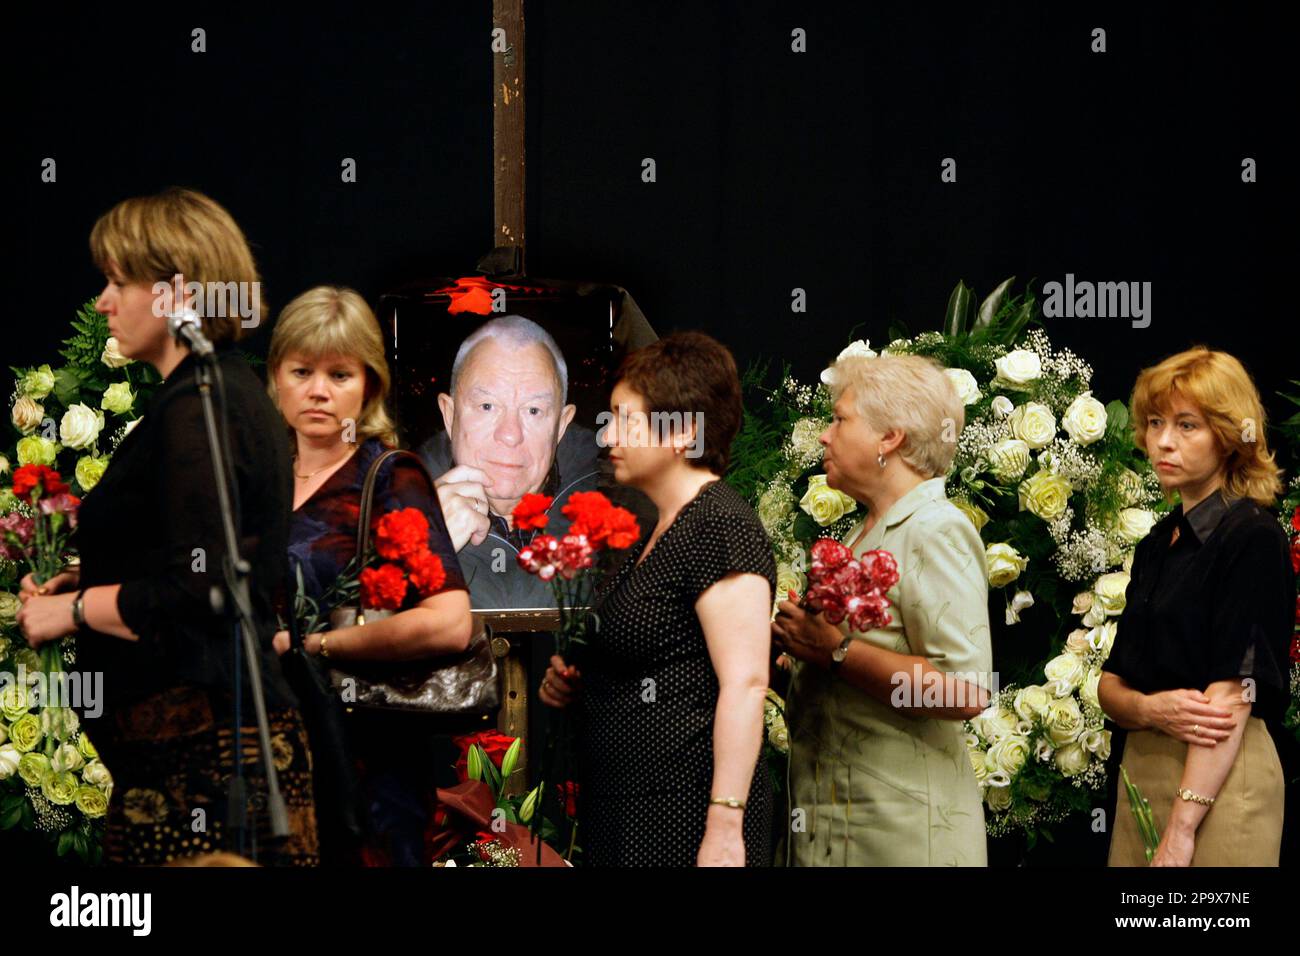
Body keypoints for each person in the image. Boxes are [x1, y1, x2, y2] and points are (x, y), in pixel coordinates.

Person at [16, 187, 318, 865]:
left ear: (177, 293)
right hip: (197, 753)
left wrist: (71, 609)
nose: (102, 302)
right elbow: (204, 559)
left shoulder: (200, 407)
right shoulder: (219, 394)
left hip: (205, 761)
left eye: (119, 281)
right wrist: (92, 576)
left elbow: (200, 591)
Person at [539, 331, 775, 866]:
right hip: (632, 817)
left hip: (684, 819)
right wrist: (583, 680)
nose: (609, 434)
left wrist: (724, 827)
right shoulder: (663, 529)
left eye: (626, 418)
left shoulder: (717, 526)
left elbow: (746, 682)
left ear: (681, 432)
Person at [267, 286, 473, 866]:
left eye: (340, 374)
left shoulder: (389, 478)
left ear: (370, 386)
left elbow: (450, 623)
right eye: (301, 370)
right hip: (270, 752)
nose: (318, 391)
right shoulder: (260, 478)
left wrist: (319, 644)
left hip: (368, 763)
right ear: (276, 378)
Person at [774, 351, 992, 866]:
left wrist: (837, 652)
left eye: (840, 418)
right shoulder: (862, 533)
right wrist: (794, 652)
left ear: (889, 437)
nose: (826, 435)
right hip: (834, 830)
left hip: (902, 840)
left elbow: (966, 688)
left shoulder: (936, 529)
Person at [1099, 347, 1291, 867]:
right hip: (1143, 769)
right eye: (1156, 422)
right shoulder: (1157, 544)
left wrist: (1181, 829)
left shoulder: (1252, 536)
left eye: (1187, 425)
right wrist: (1147, 708)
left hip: (1220, 780)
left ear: (1229, 437)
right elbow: (1111, 685)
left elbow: (1233, 694)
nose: (1163, 440)